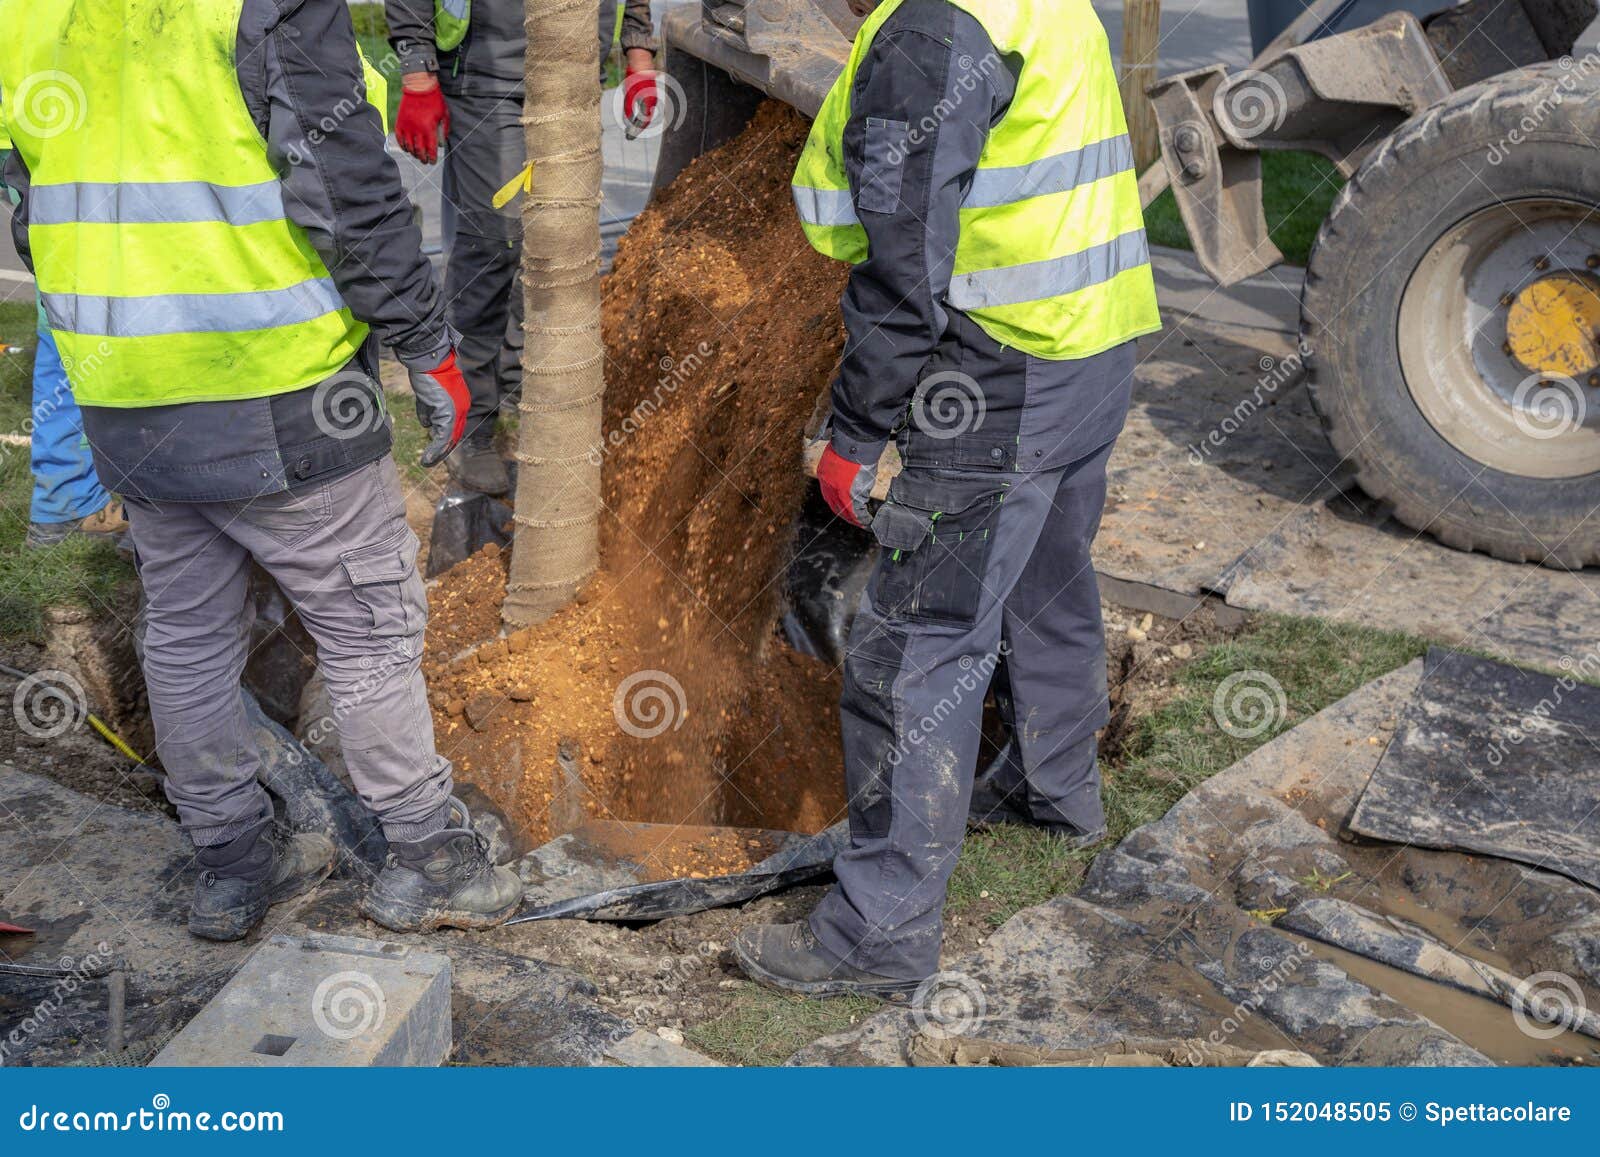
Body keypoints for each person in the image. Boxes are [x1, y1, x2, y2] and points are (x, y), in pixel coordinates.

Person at [0, 0, 524, 941]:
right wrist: (425, 340)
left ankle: (232, 863)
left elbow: (27, 192)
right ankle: (430, 857)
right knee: (366, 622)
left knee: (190, 631)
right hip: (277, 388)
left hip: (126, 392)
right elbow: (347, 186)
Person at [734, 0, 1161, 997]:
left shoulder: (933, 33)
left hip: (1000, 374)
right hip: (1092, 339)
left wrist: (855, 430)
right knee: (1046, 581)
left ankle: (876, 929)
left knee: (915, 641)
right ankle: (1056, 788)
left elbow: (905, 266)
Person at [386, 0, 658, 495]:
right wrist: (417, 74)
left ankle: (515, 381)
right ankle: (472, 426)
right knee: (494, 245)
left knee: (555, 240)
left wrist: (639, 54)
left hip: (573, 77)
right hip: (486, 77)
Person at [0, 110, 121, 549]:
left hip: (33, 127)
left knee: (67, 318)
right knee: (83, 318)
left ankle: (64, 506)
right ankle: (74, 505)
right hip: (64, 127)